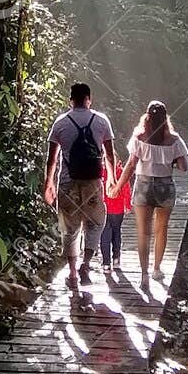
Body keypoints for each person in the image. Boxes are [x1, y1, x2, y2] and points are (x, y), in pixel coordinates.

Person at [43, 82, 117, 298]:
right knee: (96, 223)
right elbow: (109, 154)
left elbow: (52, 159)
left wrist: (48, 184)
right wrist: (112, 179)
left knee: (69, 228)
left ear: (71, 101)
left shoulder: (61, 123)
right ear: (89, 100)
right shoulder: (101, 121)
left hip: (68, 183)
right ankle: (86, 264)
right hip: (93, 182)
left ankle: (73, 274)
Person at [112, 100, 188, 292]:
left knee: (143, 233)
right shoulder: (174, 139)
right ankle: (156, 269)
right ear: (165, 118)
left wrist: (118, 187)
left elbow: (131, 165)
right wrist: (170, 160)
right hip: (165, 186)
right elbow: (183, 167)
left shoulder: (139, 137)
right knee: (161, 229)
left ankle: (144, 275)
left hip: (143, 185)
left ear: (147, 116)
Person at [100, 152, 132, 275]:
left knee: (105, 235)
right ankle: (116, 259)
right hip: (118, 210)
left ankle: (106, 263)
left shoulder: (100, 173)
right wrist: (127, 205)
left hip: (103, 209)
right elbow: (126, 190)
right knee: (116, 233)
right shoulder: (121, 172)